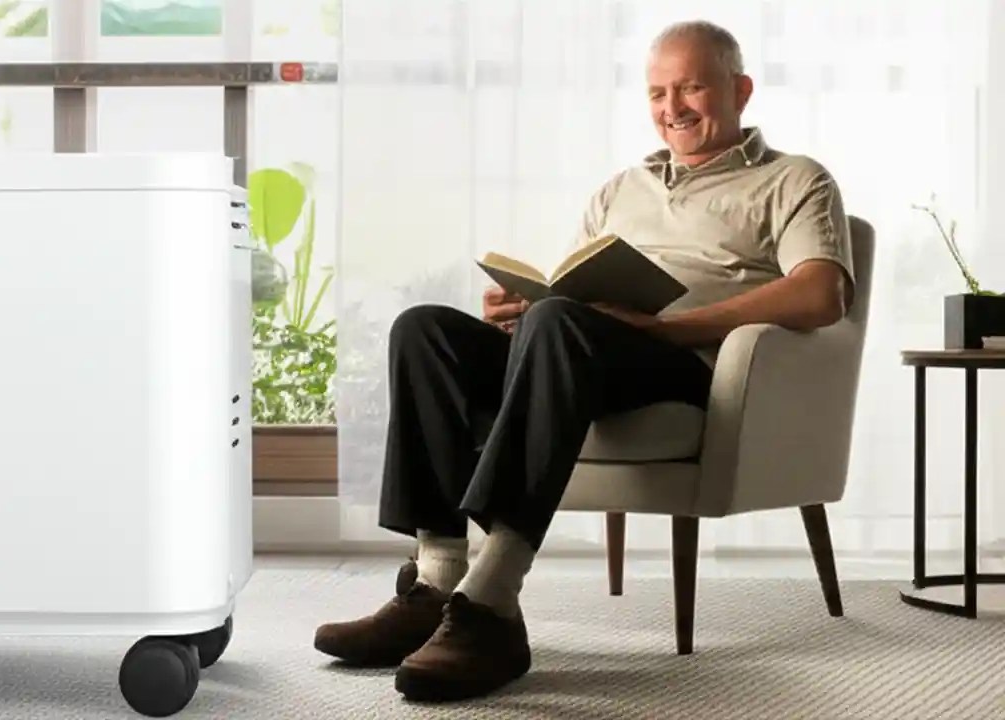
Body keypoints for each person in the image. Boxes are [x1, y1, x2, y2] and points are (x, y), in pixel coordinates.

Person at [313, 19, 855, 702]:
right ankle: (436, 582)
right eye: (658, 93)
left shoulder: (793, 179)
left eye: (691, 88)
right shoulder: (620, 189)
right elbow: (572, 297)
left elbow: (821, 293)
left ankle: (492, 603)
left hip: (692, 367)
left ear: (740, 90)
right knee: (425, 331)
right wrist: (523, 312)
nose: (673, 107)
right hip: (587, 352)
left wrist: (667, 330)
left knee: (558, 325)